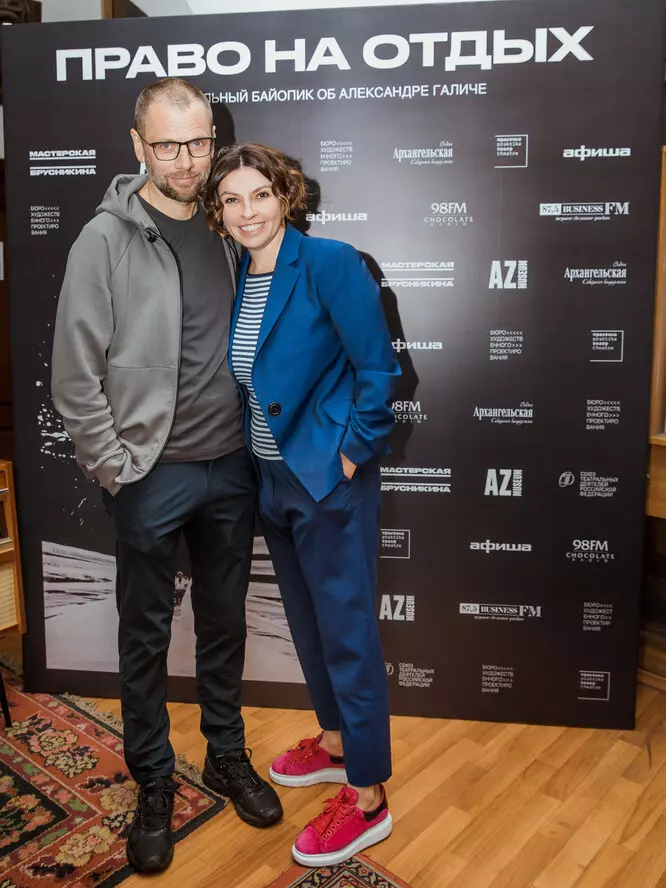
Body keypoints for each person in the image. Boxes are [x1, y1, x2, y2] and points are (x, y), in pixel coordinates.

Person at [51, 81, 282, 875]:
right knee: (145, 637)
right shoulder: (105, 240)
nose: (187, 160)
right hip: (150, 475)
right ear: (137, 144)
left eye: (199, 142)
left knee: (223, 627)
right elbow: (74, 376)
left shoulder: (230, 227)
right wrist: (115, 468)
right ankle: (153, 779)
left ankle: (225, 753)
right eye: (169, 144)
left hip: (233, 470)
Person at [203, 143, 401, 866]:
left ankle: (370, 795)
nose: (247, 211)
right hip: (270, 480)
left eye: (259, 195)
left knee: (347, 635)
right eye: (231, 200)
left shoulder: (329, 263)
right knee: (308, 625)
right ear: (219, 215)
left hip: (327, 481)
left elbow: (381, 368)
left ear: (284, 196)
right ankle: (336, 744)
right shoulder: (239, 275)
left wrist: (349, 453)